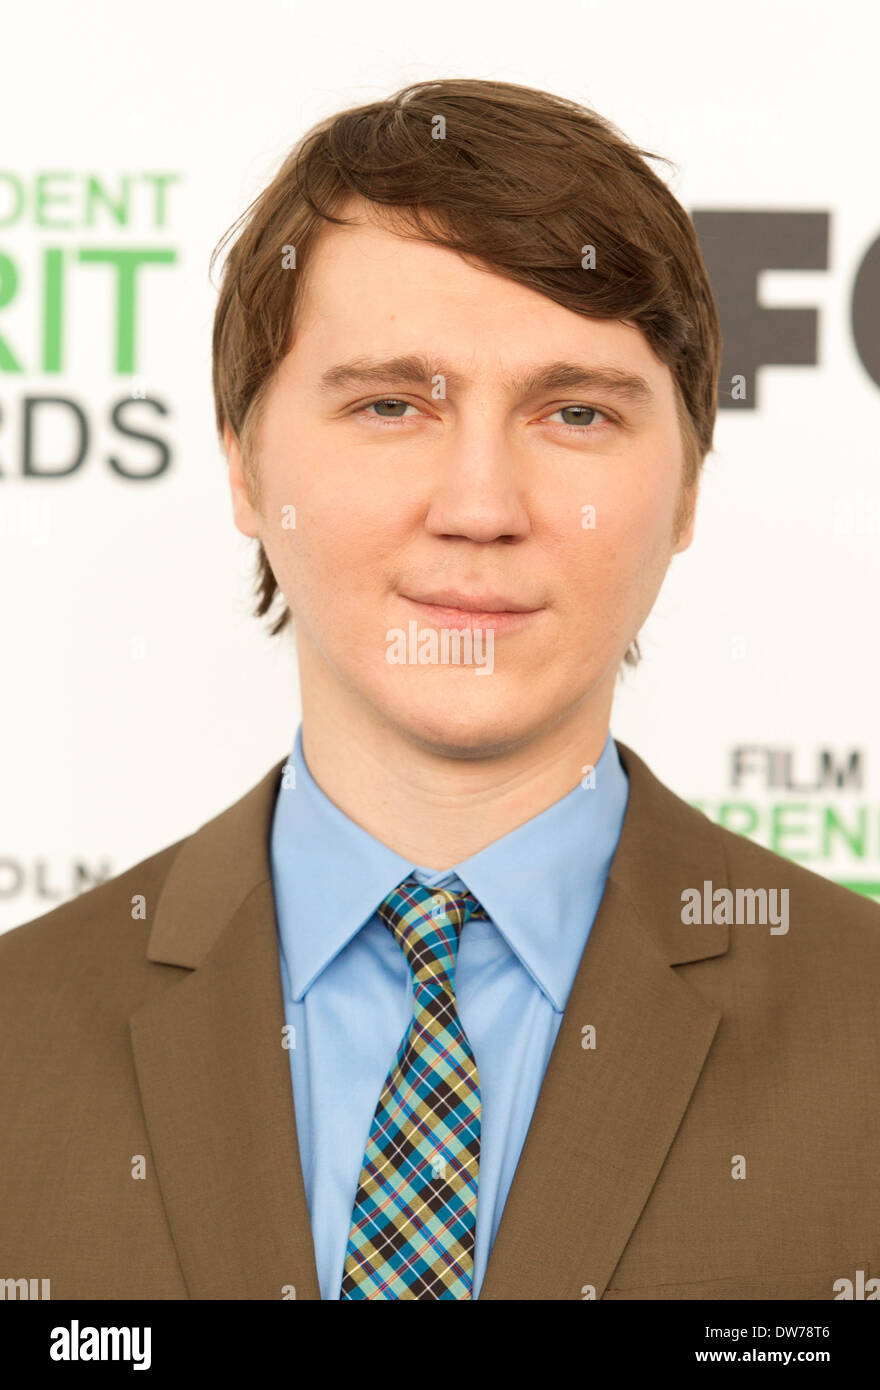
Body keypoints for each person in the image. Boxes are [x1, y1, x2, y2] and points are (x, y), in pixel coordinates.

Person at [1, 78, 877, 1302]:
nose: (480, 506)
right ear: (245, 463)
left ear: (684, 490)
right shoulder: (14, 1042)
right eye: (391, 405)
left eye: (574, 411)